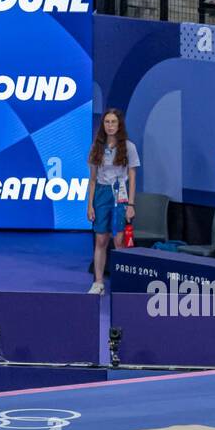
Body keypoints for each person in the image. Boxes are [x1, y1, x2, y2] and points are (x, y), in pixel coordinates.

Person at [86, 108, 138, 295]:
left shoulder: (129, 147)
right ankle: (98, 283)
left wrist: (131, 205)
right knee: (101, 238)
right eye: (107, 122)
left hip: (121, 195)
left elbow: (132, 176)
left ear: (119, 124)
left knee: (119, 239)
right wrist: (90, 204)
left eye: (113, 122)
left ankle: (121, 283)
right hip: (101, 193)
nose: (110, 126)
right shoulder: (96, 147)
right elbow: (92, 179)